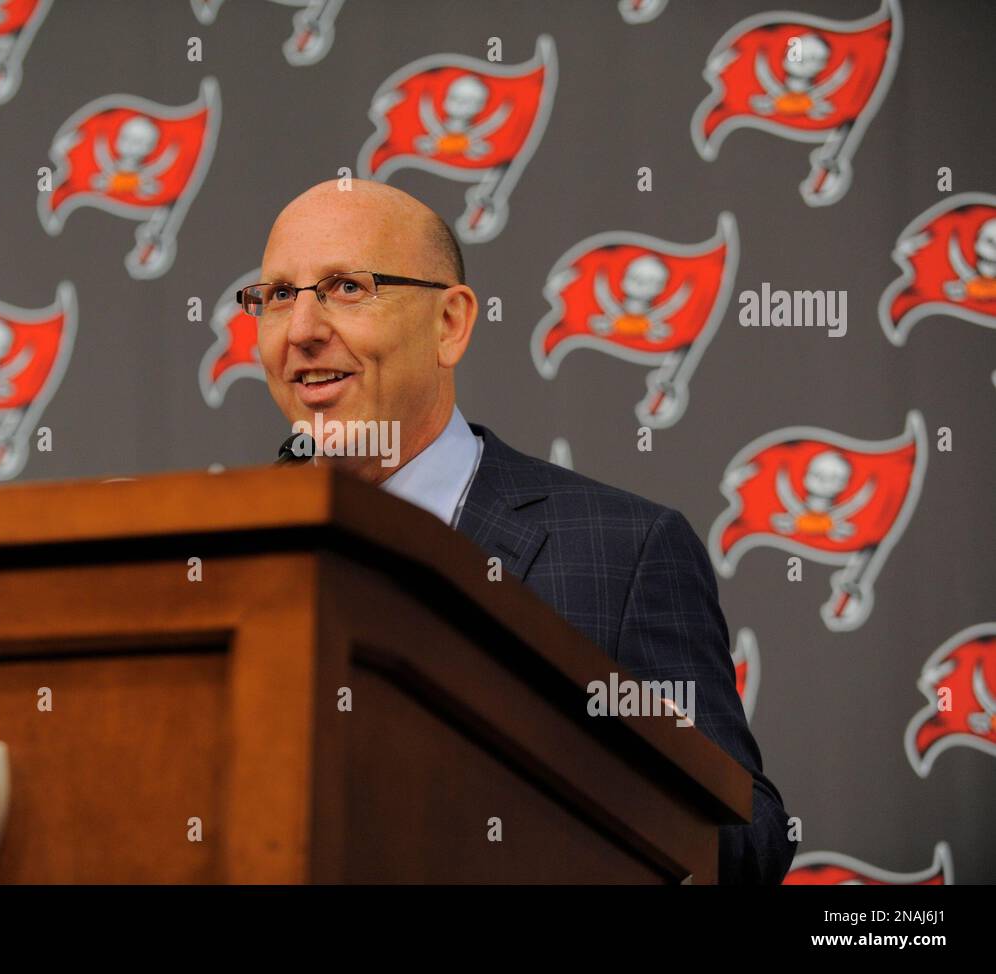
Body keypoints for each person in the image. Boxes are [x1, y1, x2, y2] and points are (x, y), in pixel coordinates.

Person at [244, 179, 796, 884]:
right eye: (277, 296)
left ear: (450, 323)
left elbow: (750, 840)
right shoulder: (224, 556)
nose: (302, 329)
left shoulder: (624, 552)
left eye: (346, 287)